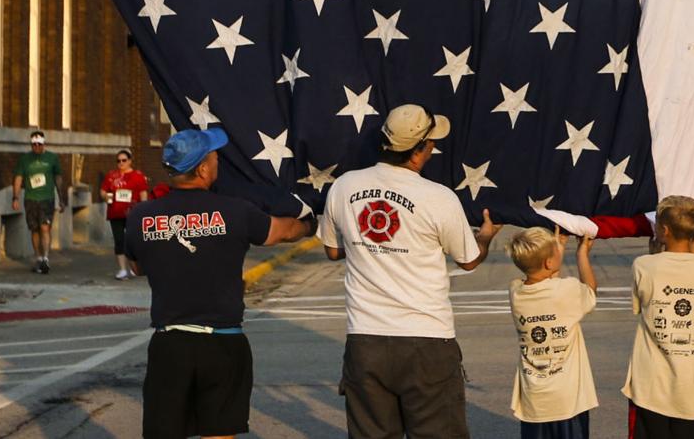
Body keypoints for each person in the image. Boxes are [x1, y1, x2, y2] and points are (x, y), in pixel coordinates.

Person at [319, 102, 502, 439]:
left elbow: (332, 250)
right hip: (427, 340)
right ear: (419, 150)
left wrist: (368, 247)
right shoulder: (438, 197)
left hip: (365, 340)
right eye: (431, 142)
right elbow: (469, 259)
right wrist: (486, 238)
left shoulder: (343, 187)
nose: (433, 148)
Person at [124, 127, 315, 439]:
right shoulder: (234, 211)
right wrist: (309, 223)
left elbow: (137, 267)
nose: (218, 163)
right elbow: (282, 232)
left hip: (170, 344)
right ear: (201, 169)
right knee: (219, 433)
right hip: (223, 343)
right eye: (214, 158)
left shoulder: (140, 217)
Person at [623, 195, 694, 439]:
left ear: (663, 230)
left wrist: (655, 253)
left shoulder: (643, 265)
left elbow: (639, 305)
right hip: (691, 386)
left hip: (650, 385)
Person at [508, 227, 598, 439]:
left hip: (535, 400)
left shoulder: (515, 292)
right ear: (549, 262)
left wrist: (557, 249)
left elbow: (547, 282)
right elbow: (590, 290)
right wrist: (581, 254)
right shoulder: (568, 290)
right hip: (568, 400)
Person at [12, 130, 65, 274]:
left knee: (45, 228)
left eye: (39, 144)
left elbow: (58, 178)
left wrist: (61, 198)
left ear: (43, 144)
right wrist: (15, 197)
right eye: (33, 145)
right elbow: (18, 178)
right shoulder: (24, 160)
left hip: (46, 199)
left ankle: (46, 258)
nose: (36, 147)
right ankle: (38, 257)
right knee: (34, 229)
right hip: (31, 199)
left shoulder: (52, 158)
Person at [100, 148, 149, 279]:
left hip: (133, 213)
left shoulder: (138, 176)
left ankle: (135, 267)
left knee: (133, 240)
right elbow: (103, 191)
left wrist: (143, 210)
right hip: (115, 213)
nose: (121, 163)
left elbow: (143, 194)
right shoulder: (111, 176)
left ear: (130, 161)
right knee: (119, 240)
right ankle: (122, 269)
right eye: (118, 161)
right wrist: (106, 197)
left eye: (124, 160)